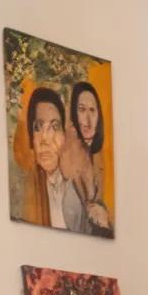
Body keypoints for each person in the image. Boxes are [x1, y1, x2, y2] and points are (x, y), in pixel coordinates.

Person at [21, 86, 87, 232]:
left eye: (54, 126)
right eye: (38, 127)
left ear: (65, 135)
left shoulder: (79, 188)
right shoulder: (26, 191)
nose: (45, 138)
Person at [65, 81, 112, 236]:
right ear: (74, 114)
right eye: (81, 110)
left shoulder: (98, 161)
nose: (88, 118)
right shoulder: (69, 159)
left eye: (92, 110)